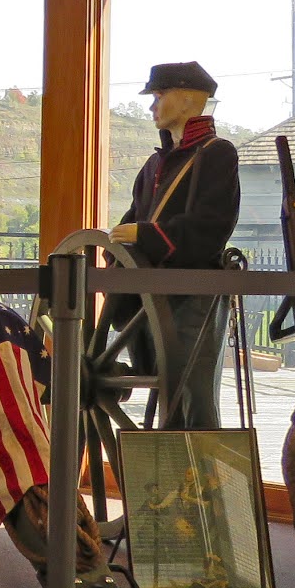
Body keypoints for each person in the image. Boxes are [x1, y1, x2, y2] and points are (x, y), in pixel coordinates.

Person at [109, 61, 240, 429]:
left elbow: (210, 227)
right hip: (151, 296)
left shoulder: (217, 154)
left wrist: (144, 235)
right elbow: (134, 217)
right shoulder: (154, 165)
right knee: (164, 390)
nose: (152, 106)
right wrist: (120, 240)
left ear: (185, 100)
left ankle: (198, 480)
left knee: (192, 397)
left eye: (158, 96)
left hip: (192, 294)